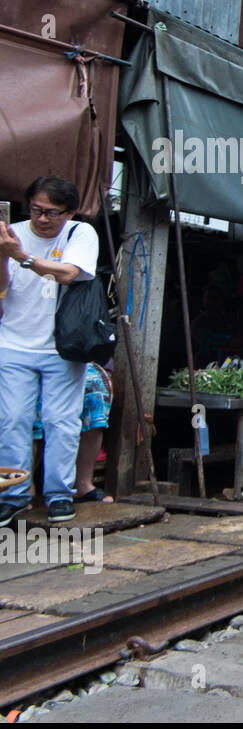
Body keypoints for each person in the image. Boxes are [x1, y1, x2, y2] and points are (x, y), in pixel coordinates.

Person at [0, 177, 101, 525]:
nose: (42, 219)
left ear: (69, 212)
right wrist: (4, 257)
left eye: (52, 213)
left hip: (61, 347)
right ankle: (13, 496)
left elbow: (69, 273)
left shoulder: (80, 234)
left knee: (61, 421)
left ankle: (59, 493)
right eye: (37, 210)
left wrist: (22, 257)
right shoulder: (11, 234)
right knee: (12, 420)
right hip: (12, 342)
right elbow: (1, 288)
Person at [32, 362, 114, 502]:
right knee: (27, 403)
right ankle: (23, 484)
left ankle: (82, 483)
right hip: (20, 357)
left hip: (66, 357)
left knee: (95, 386)